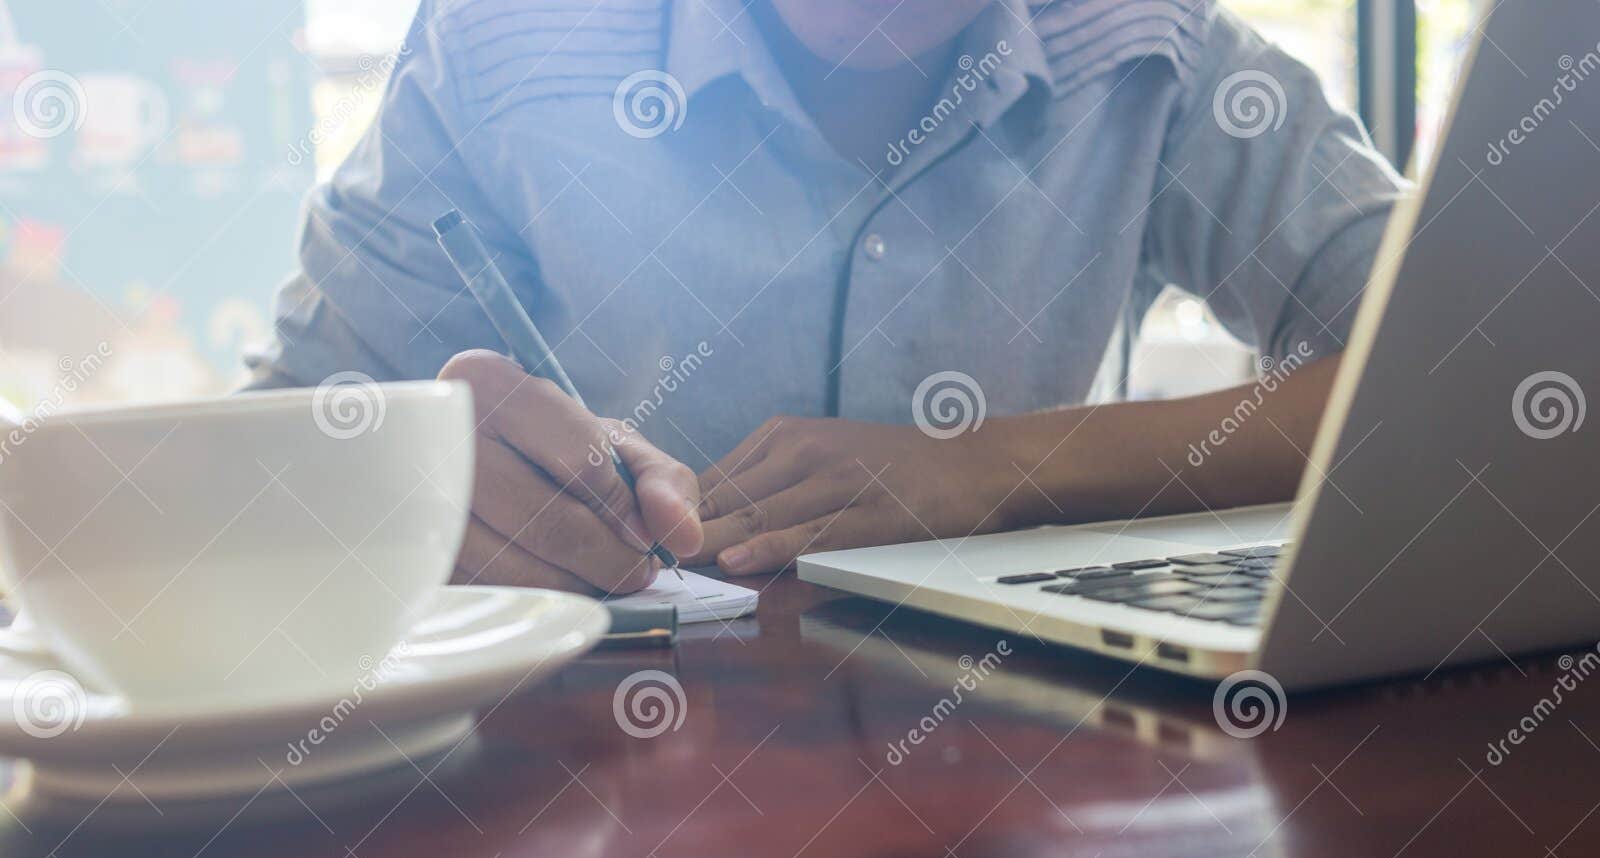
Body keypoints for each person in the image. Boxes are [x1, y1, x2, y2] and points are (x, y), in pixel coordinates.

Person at [251, 0, 1404, 594]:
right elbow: (272, 450)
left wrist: (991, 467)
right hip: (591, 814)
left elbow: (1473, 372)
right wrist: (427, 483)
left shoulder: (1156, 50)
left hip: (1017, 783)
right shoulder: (504, 43)